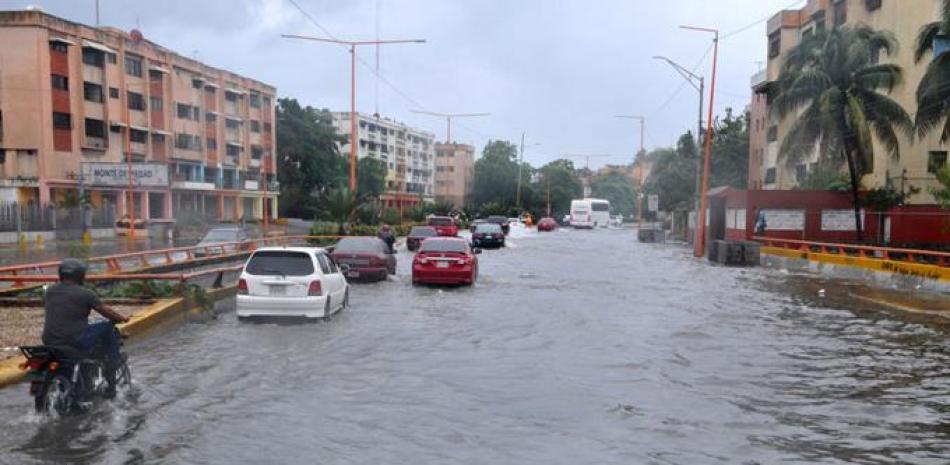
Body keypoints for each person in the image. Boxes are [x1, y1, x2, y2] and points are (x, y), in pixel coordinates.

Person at [42, 259, 130, 395]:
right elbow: (106, 311)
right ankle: (113, 361)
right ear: (81, 275)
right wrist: (121, 319)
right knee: (106, 326)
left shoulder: (49, 291)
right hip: (75, 340)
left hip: (50, 340)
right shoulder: (85, 293)